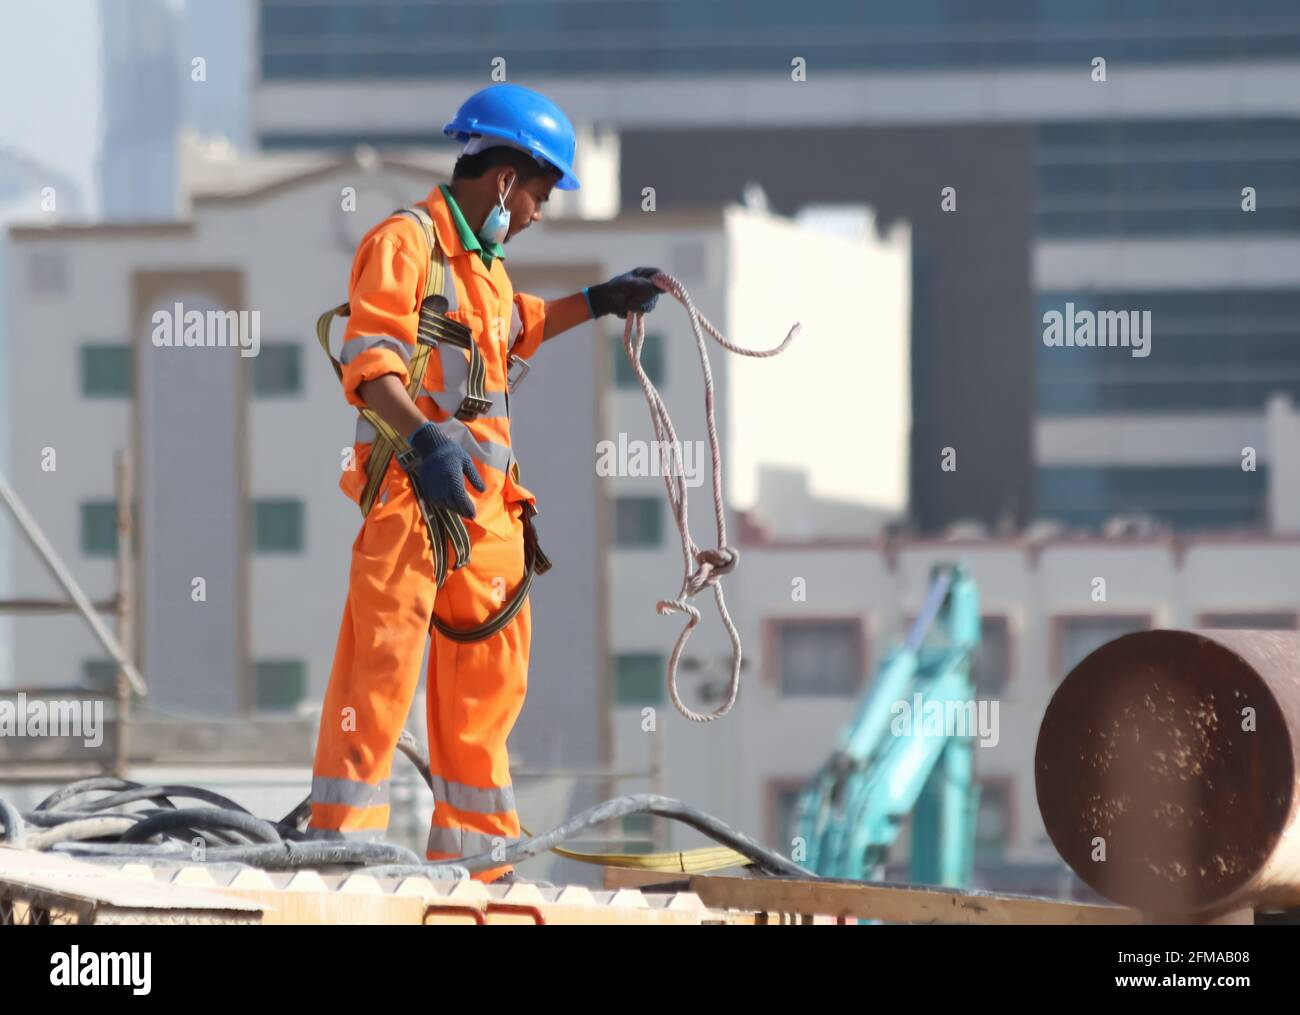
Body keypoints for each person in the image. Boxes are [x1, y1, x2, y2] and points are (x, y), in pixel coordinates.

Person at [309, 83, 661, 882]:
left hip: (487, 522)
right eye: (540, 191)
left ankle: (480, 873)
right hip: (411, 499)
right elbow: (372, 365)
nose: (540, 210)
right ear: (506, 179)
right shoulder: (405, 244)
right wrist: (425, 437)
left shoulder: (487, 271)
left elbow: (516, 326)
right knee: (380, 681)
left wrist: (599, 302)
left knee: (484, 710)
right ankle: (343, 867)